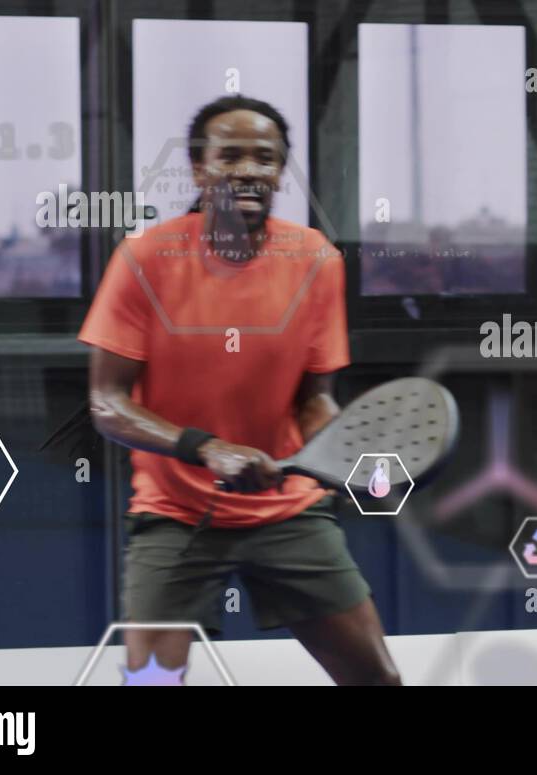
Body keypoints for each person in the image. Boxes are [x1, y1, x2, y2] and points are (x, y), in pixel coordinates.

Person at [79, 95, 400, 685]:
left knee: (378, 680)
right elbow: (107, 404)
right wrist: (208, 448)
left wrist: (341, 454)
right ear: (200, 170)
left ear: (280, 173)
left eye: (265, 158)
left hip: (289, 513)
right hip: (176, 514)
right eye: (230, 156)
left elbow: (313, 398)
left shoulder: (316, 260)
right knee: (151, 684)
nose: (249, 169)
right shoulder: (144, 258)